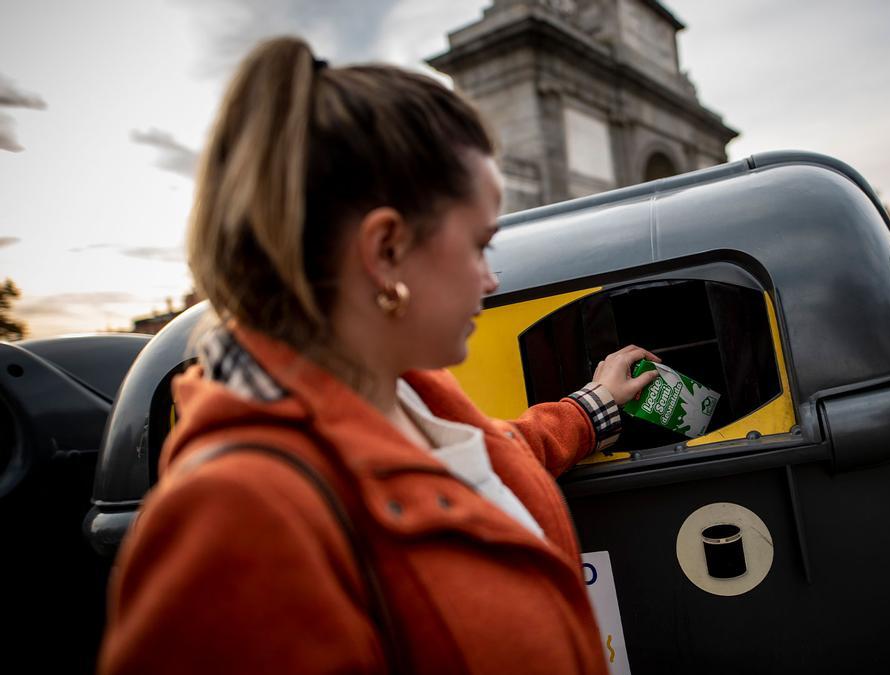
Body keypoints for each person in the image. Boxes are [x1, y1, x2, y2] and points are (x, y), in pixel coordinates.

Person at [99, 36, 660, 674]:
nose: (491, 279)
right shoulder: (235, 521)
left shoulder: (406, 394)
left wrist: (594, 408)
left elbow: (490, 460)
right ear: (386, 249)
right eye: (480, 245)